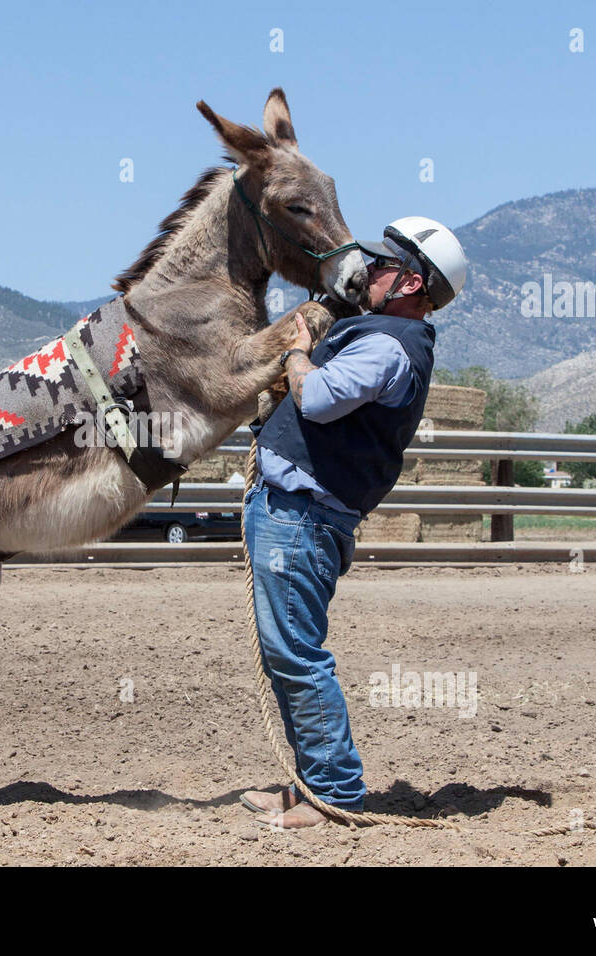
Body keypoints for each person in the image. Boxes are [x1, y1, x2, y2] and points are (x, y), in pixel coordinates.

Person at [240, 216, 469, 828]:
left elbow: (315, 398)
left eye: (385, 264)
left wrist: (296, 350)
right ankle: (312, 786)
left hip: (301, 518)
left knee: (295, 654)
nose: (370, 270)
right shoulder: (389, 338)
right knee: (288, 653)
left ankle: (335, 793)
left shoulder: (389, 345)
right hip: (299, 514)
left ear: (411, 282)